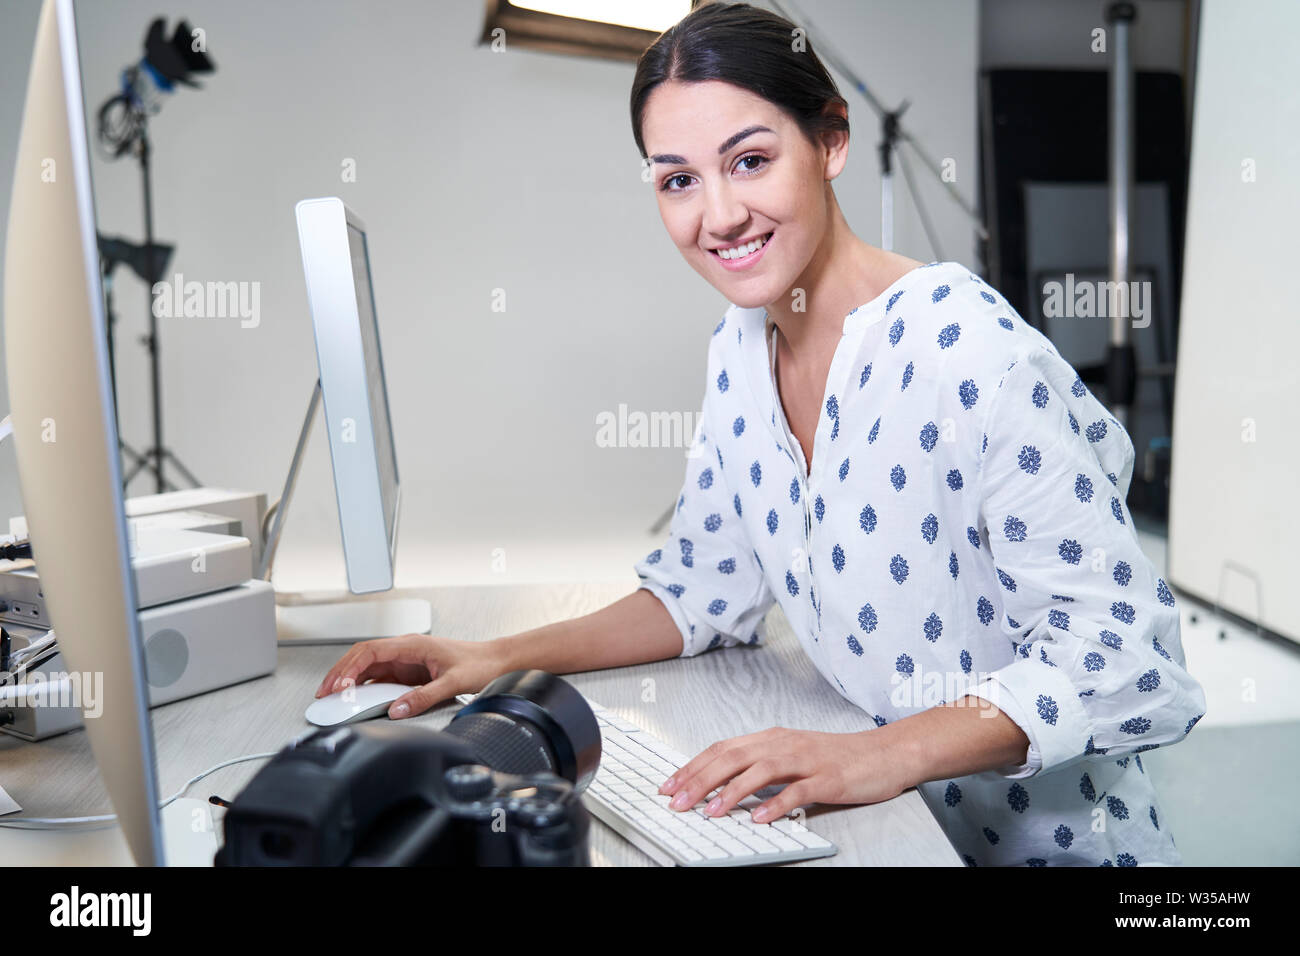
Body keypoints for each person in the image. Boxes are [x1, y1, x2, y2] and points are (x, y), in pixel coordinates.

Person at [316, 1, 1206, 866]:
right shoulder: (739, 352)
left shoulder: (966, 347)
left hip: (1050, 847)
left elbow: (1128, 658)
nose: (718, 217)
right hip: (876, 834)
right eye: (678, 180)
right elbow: (699, 591)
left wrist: (877, 756)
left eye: (749, 160)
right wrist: (490, 656)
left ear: (831, 140)